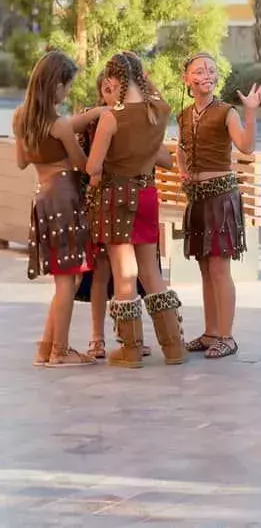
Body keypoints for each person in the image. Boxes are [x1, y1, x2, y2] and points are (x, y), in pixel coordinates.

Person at [86, 51, 187, 368]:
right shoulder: (158, 111)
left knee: (124, 273)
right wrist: (138, 78)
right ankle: (173, 347)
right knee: (151, 271)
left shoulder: (110, 118)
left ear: (111, 81)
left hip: (117, 196)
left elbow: (93, 165)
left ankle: (130, 348)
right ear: (141, 78)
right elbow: (153, 94)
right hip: (146, 194)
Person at [15, 50, 105, 366]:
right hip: (66, 199)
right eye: (67, 87)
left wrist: (91, 115)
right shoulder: (61, 126)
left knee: (62, 277)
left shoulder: (21, 117)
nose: (68, 93)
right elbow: (82, 165)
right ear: (55, 86)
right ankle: (61, 351)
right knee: (69, 279)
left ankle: (47, 346)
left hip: (43, 198)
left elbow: (22, 161)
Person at [177, 52, 261, 359]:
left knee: (218, 267)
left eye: (211, 69)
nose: (206, 74)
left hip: (221, 196)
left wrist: (250, 112)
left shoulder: (227, 112)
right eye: (199, 70)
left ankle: (226, 335)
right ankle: (211, 331)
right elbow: (182, 149)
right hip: (198, 197)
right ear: (187, 79)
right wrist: (184, 173)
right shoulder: (185, 114)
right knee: (203, 267)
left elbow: (246, 146)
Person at [75, 74, 163, 359]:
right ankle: (98, 338)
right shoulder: (97, 118)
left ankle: (132, 341)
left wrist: (137, 151)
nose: (110, 91)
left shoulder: (139, 118)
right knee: (102, 273)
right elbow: (90, 167)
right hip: (102, 200)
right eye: (105, 87)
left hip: (124, 199)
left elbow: (166, 159)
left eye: (116, 86)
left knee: (134, 274)